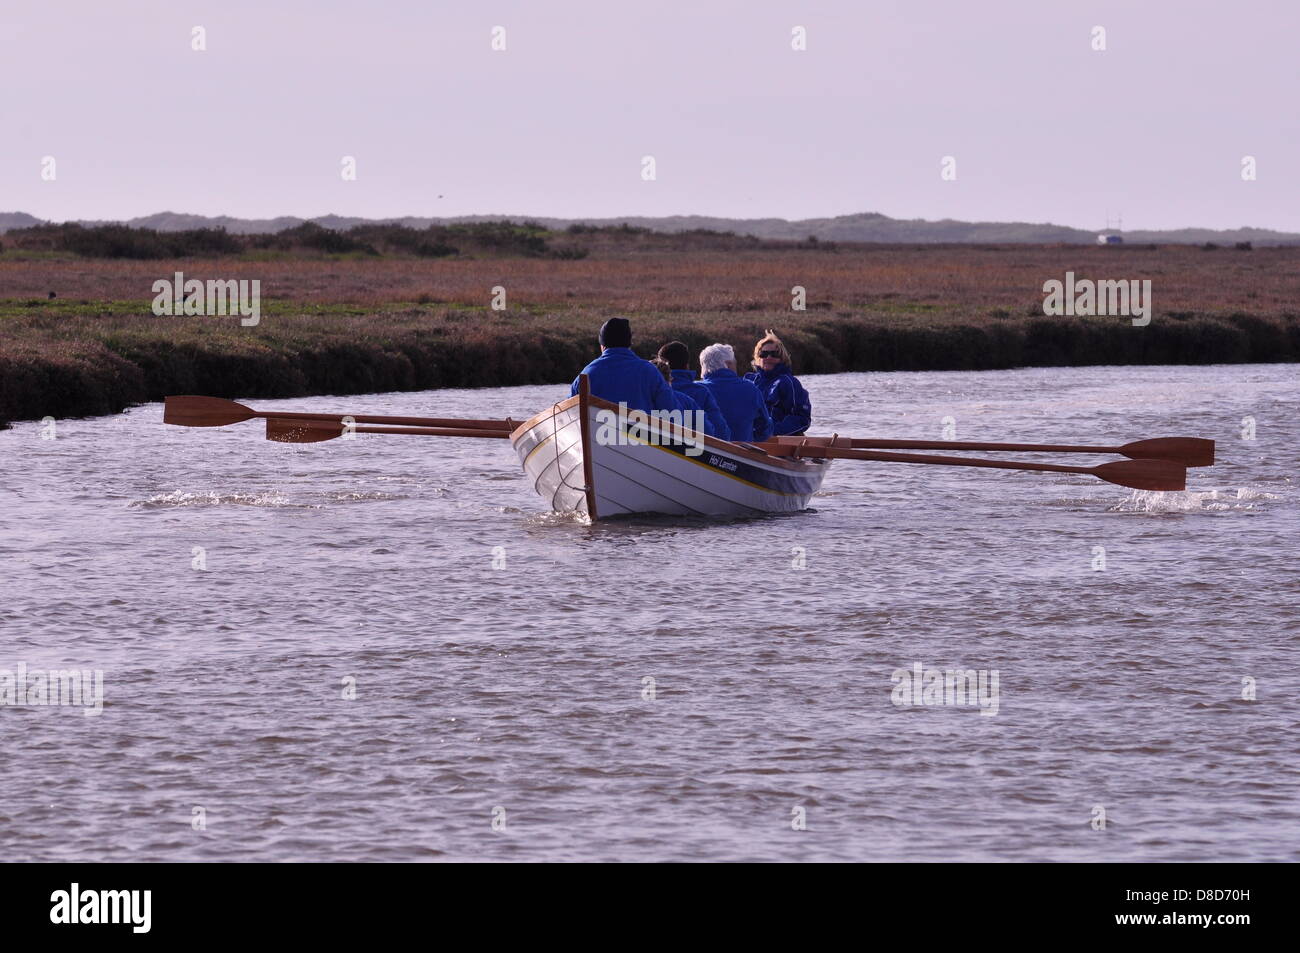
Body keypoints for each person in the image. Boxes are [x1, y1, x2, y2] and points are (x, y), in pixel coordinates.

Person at [570, 317, 677, 414]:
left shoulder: (586, 373)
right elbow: (671, 413)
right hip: (640, 434)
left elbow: (567, 414)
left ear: (602, 346)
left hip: (599, 433)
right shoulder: (649, 371)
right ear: (629, 344)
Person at [697, 343, 772, 443]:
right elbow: (765, 429)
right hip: (742, 452)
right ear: (728, 364)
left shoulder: (697, 390)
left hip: (706, 451)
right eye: (735, 363)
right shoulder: (750, 389)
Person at [655, 341, 731, 440]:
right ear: (687, 365)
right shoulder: (701, 393)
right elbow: (721, 433)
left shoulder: (650, 391)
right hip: (692, 451)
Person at [744, 330, 811, 436]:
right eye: (764, 354)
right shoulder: (748, 381)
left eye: (774, 354)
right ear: (758, 357)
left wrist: (771, 432)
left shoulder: (789, 383)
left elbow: (802, 418)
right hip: (748, 439)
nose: (768, 357)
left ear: (782, 358)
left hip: (777, 441)